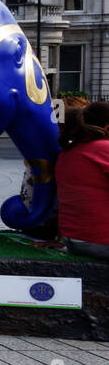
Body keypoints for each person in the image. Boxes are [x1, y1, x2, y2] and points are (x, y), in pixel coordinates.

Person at [55, 101, 109, 260]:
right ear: (107, 128)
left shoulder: (68, 153)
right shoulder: (103, 149)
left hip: (74, 239)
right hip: (100, 240)